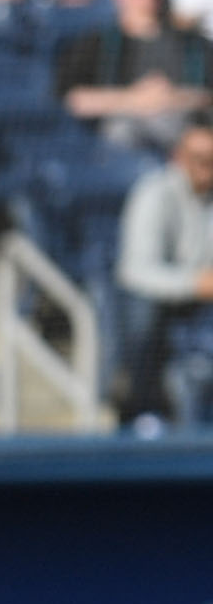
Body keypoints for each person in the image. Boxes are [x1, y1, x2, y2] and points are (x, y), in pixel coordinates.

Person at [58, 0, 213, 152]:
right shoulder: (95, 44)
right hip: (117, 144)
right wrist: (132, 99)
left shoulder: (193, 44)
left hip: (180, 139)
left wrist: (170, 98)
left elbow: (206, 95)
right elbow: (74, 99)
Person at [118, 116, 213, 426]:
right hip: (161, 299)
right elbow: (136, 271)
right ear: (179, 157)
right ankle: (142, 409)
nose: (207, 168)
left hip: (201, 302)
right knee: (141, 309)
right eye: (200, 160)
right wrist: (194, 283)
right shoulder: (153, 193)